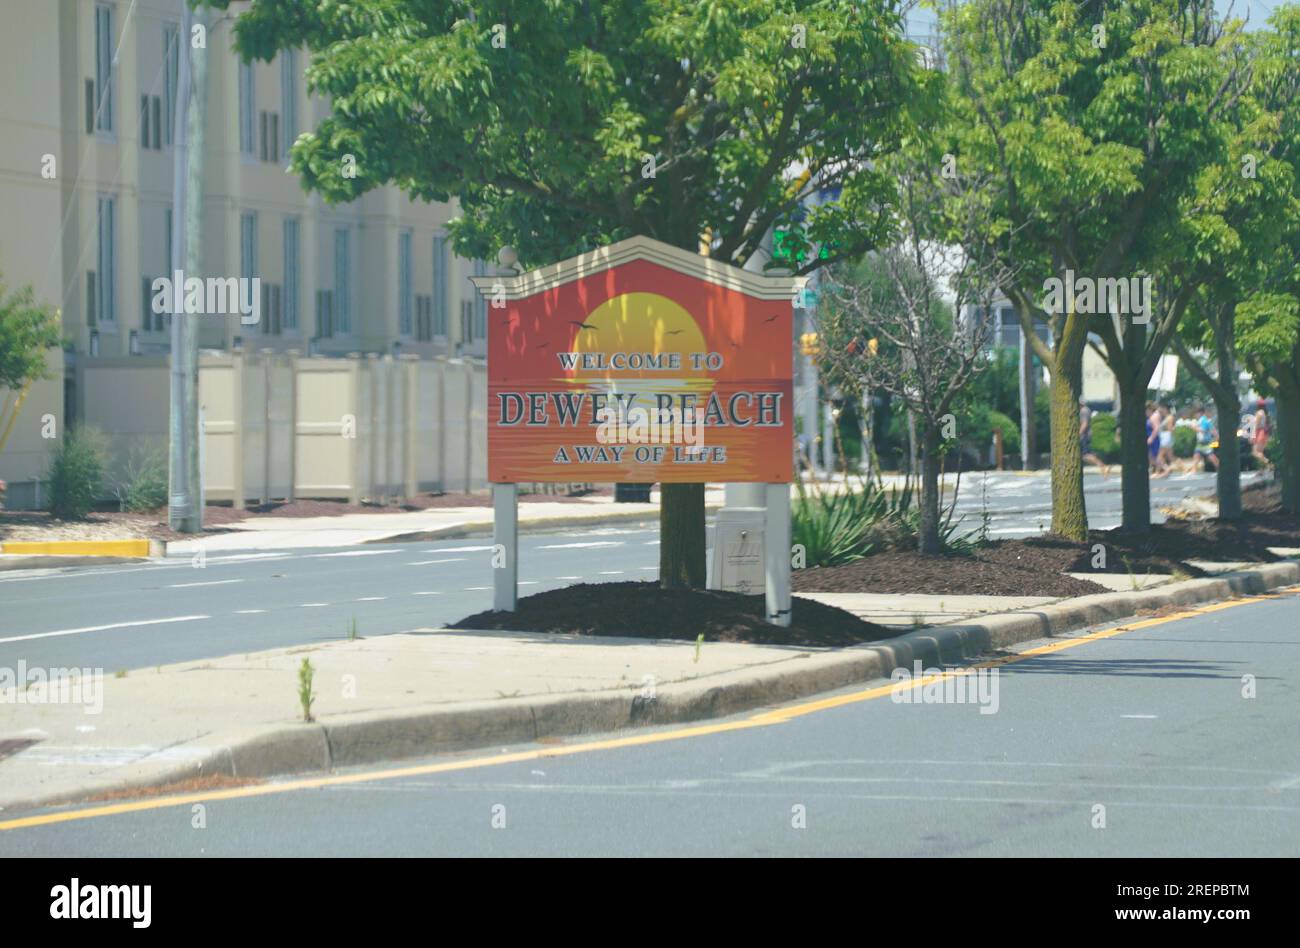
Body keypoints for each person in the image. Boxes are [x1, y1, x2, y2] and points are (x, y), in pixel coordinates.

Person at [1079, 398, 1109, 476]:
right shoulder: (1086, 410)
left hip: (1084, 436)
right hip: (1086, 435)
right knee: (1084, 454)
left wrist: (1079, 434)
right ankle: (1102, 466)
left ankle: (1102, 466)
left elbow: (1084, 424)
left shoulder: (1083, 411)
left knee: (1085, 454)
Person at [1193, 406, 1218, 473]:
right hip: (1200, 442)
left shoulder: (1203, 420)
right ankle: (1194, 470)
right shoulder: (1203, 420)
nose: (1195, 415)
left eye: (1196, 413)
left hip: (1205, 442)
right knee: (1196, 456)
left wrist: (1194, 428)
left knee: (1211, 457)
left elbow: (1203, 430)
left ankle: (1220, 468)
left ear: (1200, 413)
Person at [1252, 399, 1272, 468]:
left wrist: (1253, 436)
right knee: (1260, 452)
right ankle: (1261, 470)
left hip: (1259, 433)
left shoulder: (1259, 413)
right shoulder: (1265, 413)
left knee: (1255, 452)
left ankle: (1269, 464)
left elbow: (1256, 425)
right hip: (1264, 433)